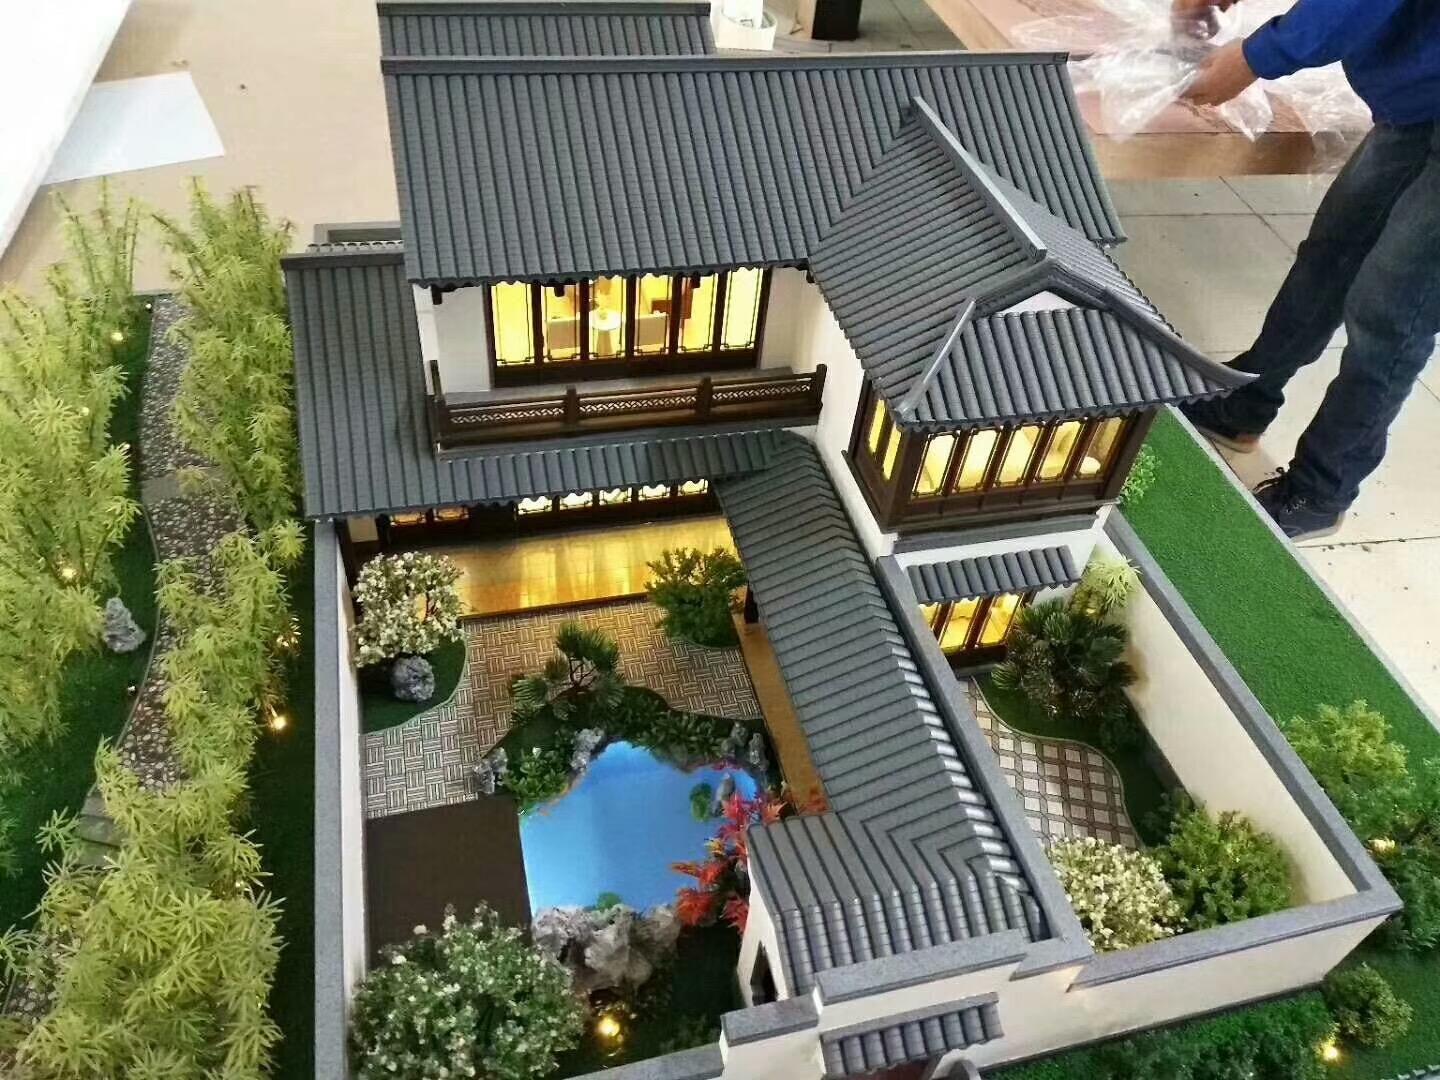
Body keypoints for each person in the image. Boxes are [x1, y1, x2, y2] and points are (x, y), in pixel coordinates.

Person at [1171, 0, 1439, 540]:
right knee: (1332, 251)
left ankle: (1322, 487)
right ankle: (1246, 398)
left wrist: (1257, 56)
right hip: (1422, 92)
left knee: (1393, 309)